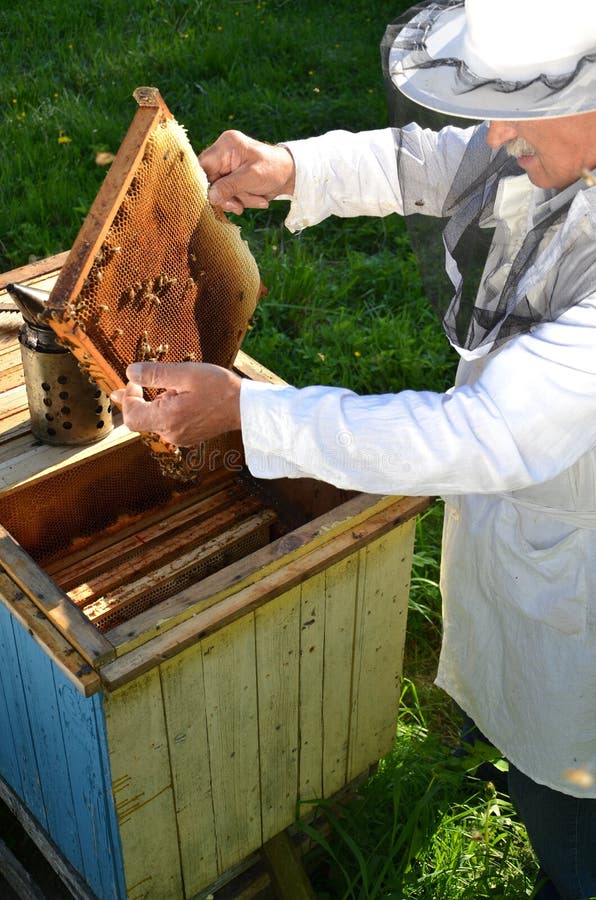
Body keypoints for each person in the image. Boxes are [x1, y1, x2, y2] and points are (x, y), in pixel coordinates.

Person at [111, 0, 596, 896]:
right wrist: (293, 168)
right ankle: (497, 733)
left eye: (520, 105)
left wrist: (251, 416)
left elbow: (482, 435)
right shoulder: (558, 148)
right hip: (527, 515)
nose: (494, 129)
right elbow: (444, 163)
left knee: (569, 774)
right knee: (506, 661)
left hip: (580, 575)